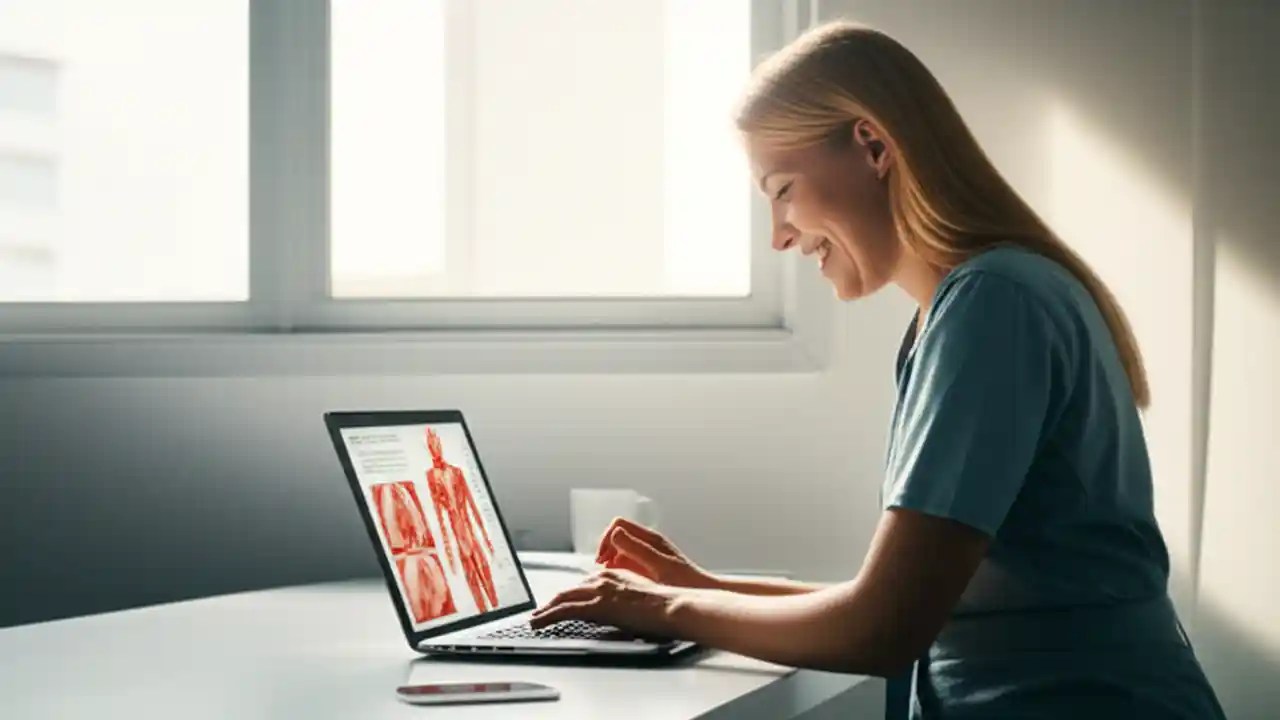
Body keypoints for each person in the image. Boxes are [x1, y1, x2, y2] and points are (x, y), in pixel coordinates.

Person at [530, 21, 1225, 718]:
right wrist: (703, 587)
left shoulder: (993, 305)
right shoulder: (974, 306)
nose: (779, 235)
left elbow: (883, 629)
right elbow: (898, 602)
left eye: (781, 190)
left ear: (871, 145)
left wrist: (672, 606)